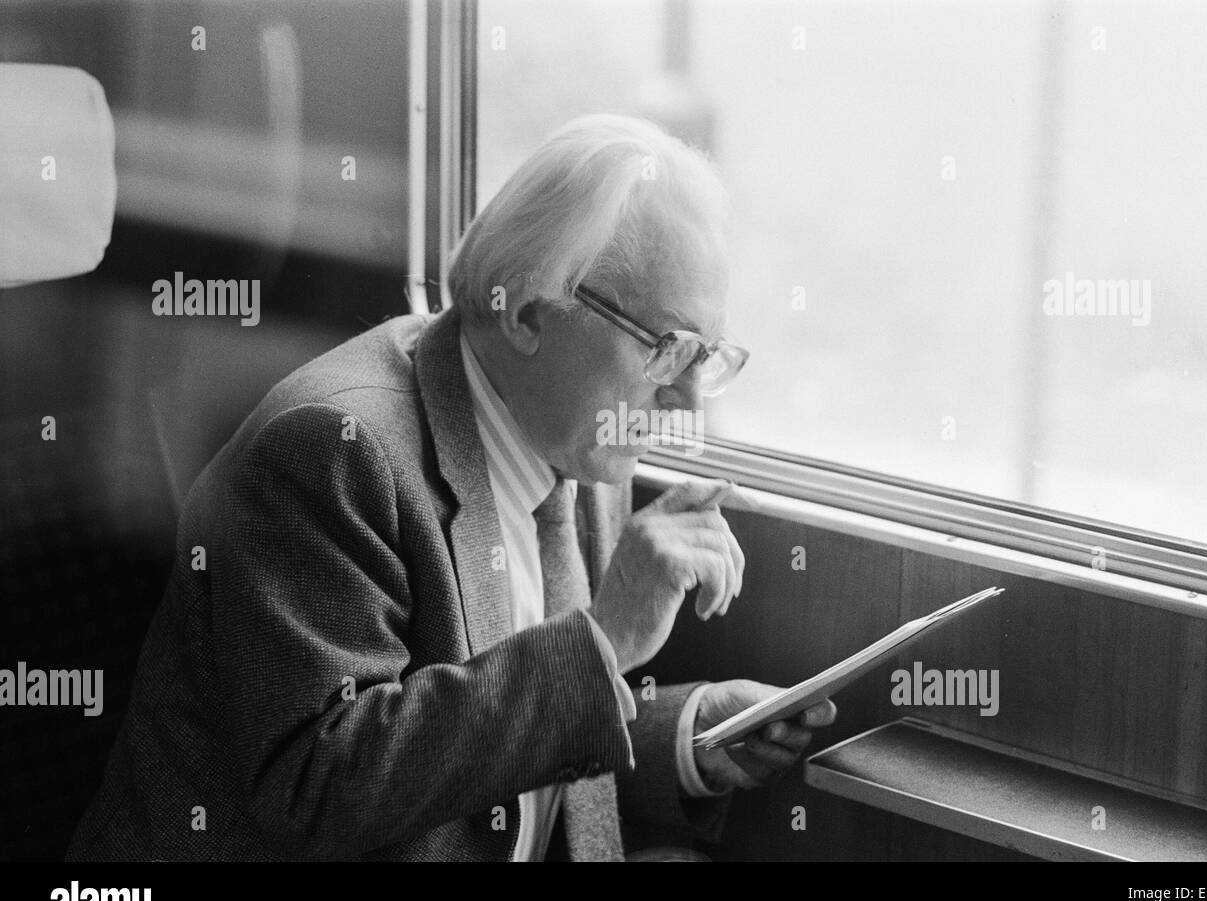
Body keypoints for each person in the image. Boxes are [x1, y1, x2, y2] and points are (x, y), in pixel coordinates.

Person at [66, 114, 836, 862]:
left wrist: (689, 737)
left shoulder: (584, 450)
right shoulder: (331, 453)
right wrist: (602, 642)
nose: (687, 404)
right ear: (531, 314)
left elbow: (506, 735)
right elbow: (321, 787)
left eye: (708, 357)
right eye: (668, 351)